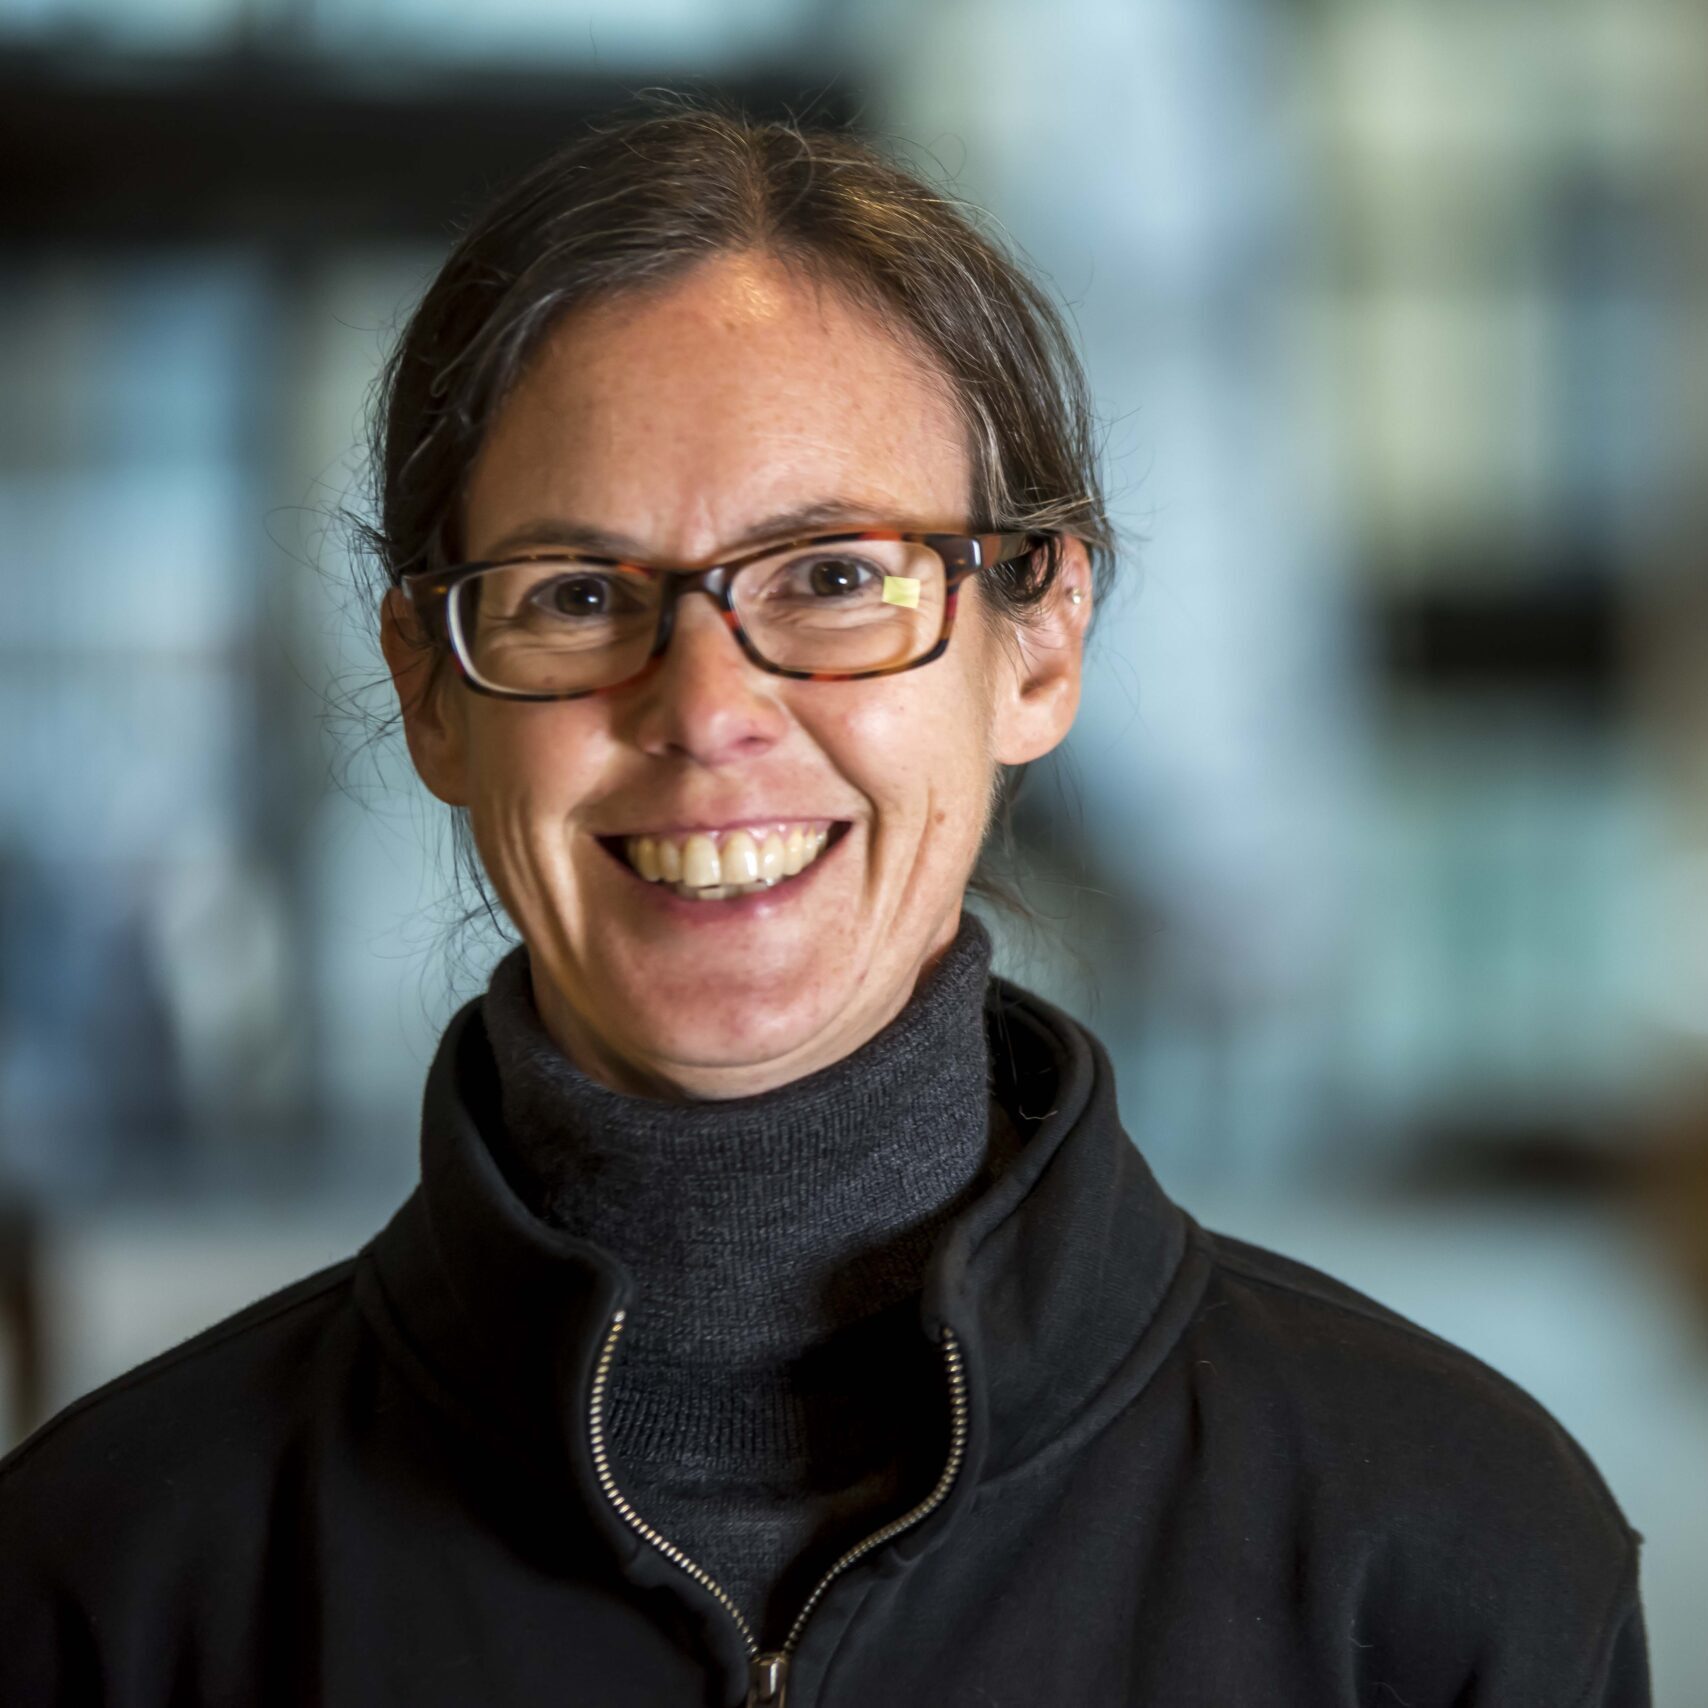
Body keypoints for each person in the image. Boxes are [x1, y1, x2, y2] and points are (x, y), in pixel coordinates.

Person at [0, 105, 1650, 1708]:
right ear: (432, 692)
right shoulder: (106, 1581)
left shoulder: (1444, 1553)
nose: (707, 709)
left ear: (1046, 643)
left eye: (836, 577)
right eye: (581, 596)